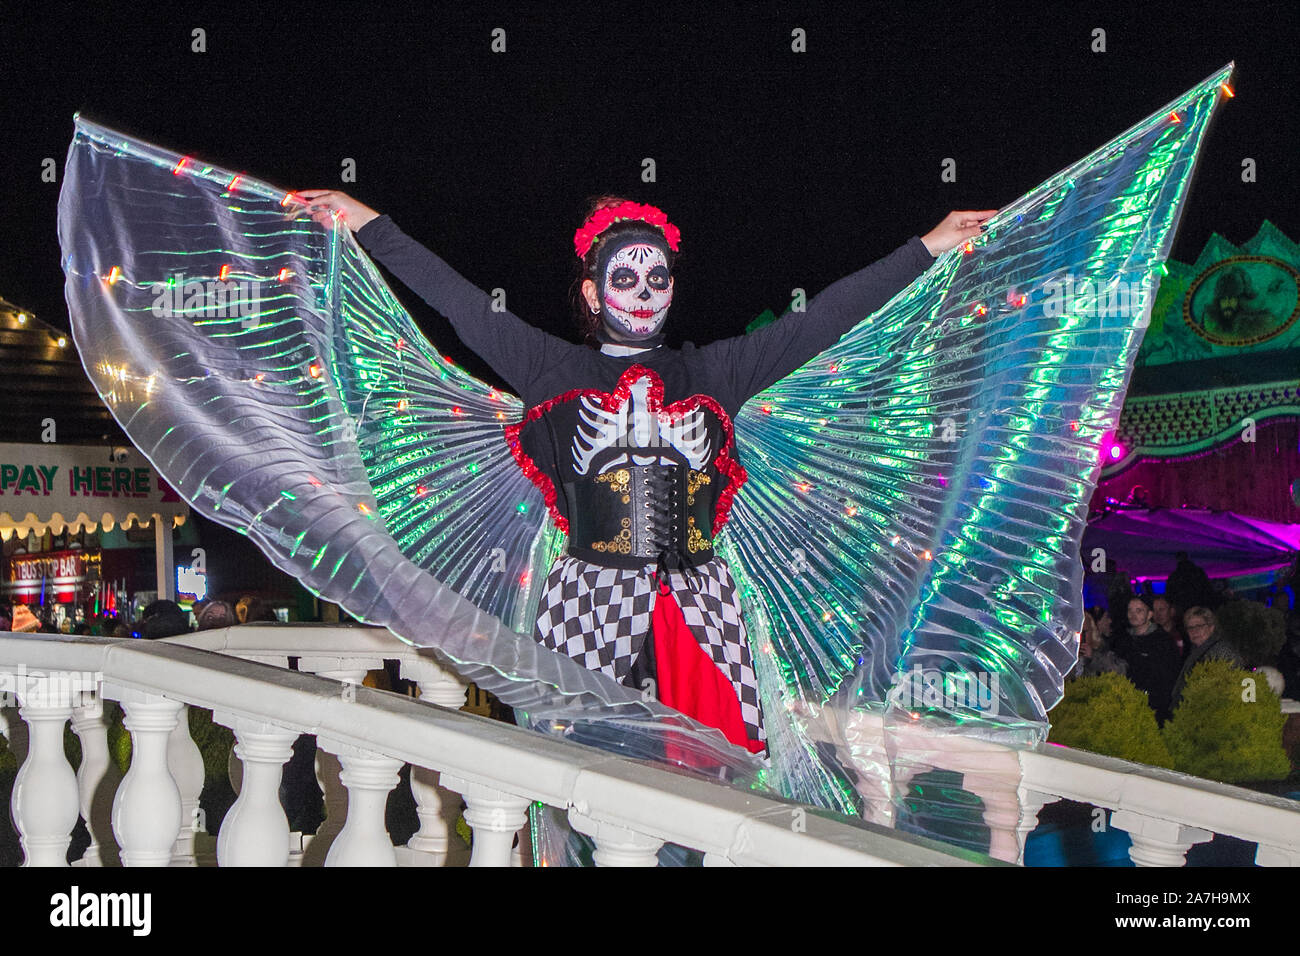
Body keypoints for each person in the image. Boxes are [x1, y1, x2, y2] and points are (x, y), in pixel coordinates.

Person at [291, 188, 992, 756]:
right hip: (587, 601)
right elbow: (459, 301)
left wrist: (928, 246)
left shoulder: (713, 370)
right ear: (594, 294)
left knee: (715, 774)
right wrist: (368, 223)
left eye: (658, 276)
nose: (644, 290)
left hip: (701, 605)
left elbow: (824, 318)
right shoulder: (552, 368)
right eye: (624, 277)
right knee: (592, 770)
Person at [1113, 596, 1181, 723]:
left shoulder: (1163, 642)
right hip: (1129, 703)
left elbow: (1169, 676)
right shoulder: (1124, 640)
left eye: (1139, 611)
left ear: (1149, 614)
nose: (1133, 615)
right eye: (1130, 610)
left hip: (1155, 706)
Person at [1169, 606, 1246, 709]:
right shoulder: (1193, 652)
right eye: (1190, 628)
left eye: (1199, 626)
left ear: (1211, 627)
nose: (1194, 631)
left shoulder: (1222, 651)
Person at [1068, 611, 1127, 680]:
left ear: (1092, 631)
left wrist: (1093, 657)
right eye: (1077, 633)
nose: (1081, 638)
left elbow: (1120, 670)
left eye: (1084, 633)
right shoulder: (1065, 654)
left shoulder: (1104, 649)